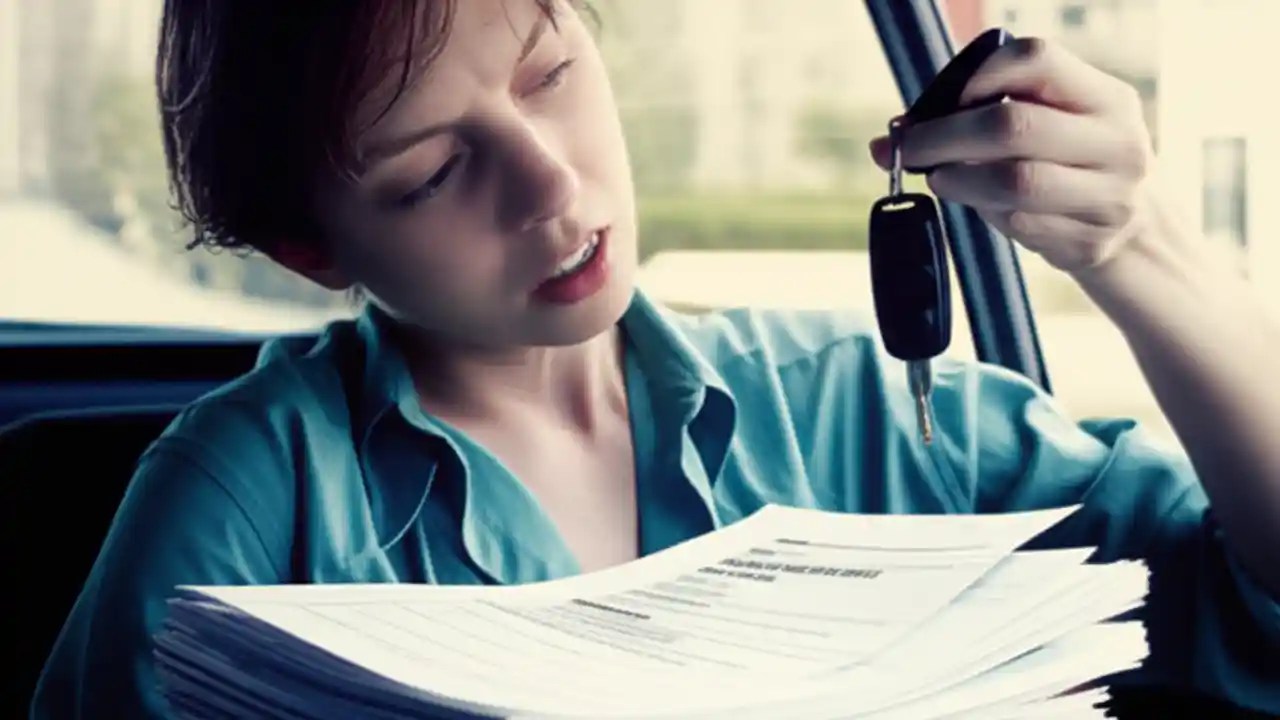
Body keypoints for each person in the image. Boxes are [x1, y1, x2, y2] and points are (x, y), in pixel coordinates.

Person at [31, 1, 1280, 717]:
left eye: (551, 73)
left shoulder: (868, 416)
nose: (552, 182)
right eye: (432, 172)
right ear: (311, 250)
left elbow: (1254, 617)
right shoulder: (244, 502)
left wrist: (1145, 249)